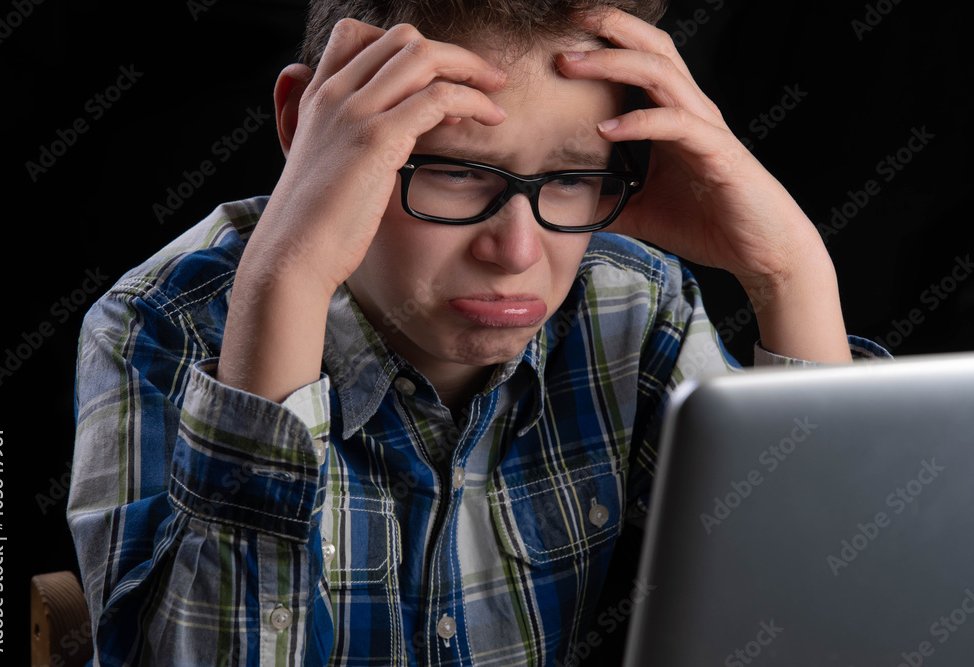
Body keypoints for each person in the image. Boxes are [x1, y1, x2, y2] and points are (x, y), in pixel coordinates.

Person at [68, 0, 888, 664]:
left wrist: (791, 275)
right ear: (304, 125)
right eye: (457, 168)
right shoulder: (157, 327)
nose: (519, 249)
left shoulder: (635, 307)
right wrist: (286, 284)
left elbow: (816, 625)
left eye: (571, 177)